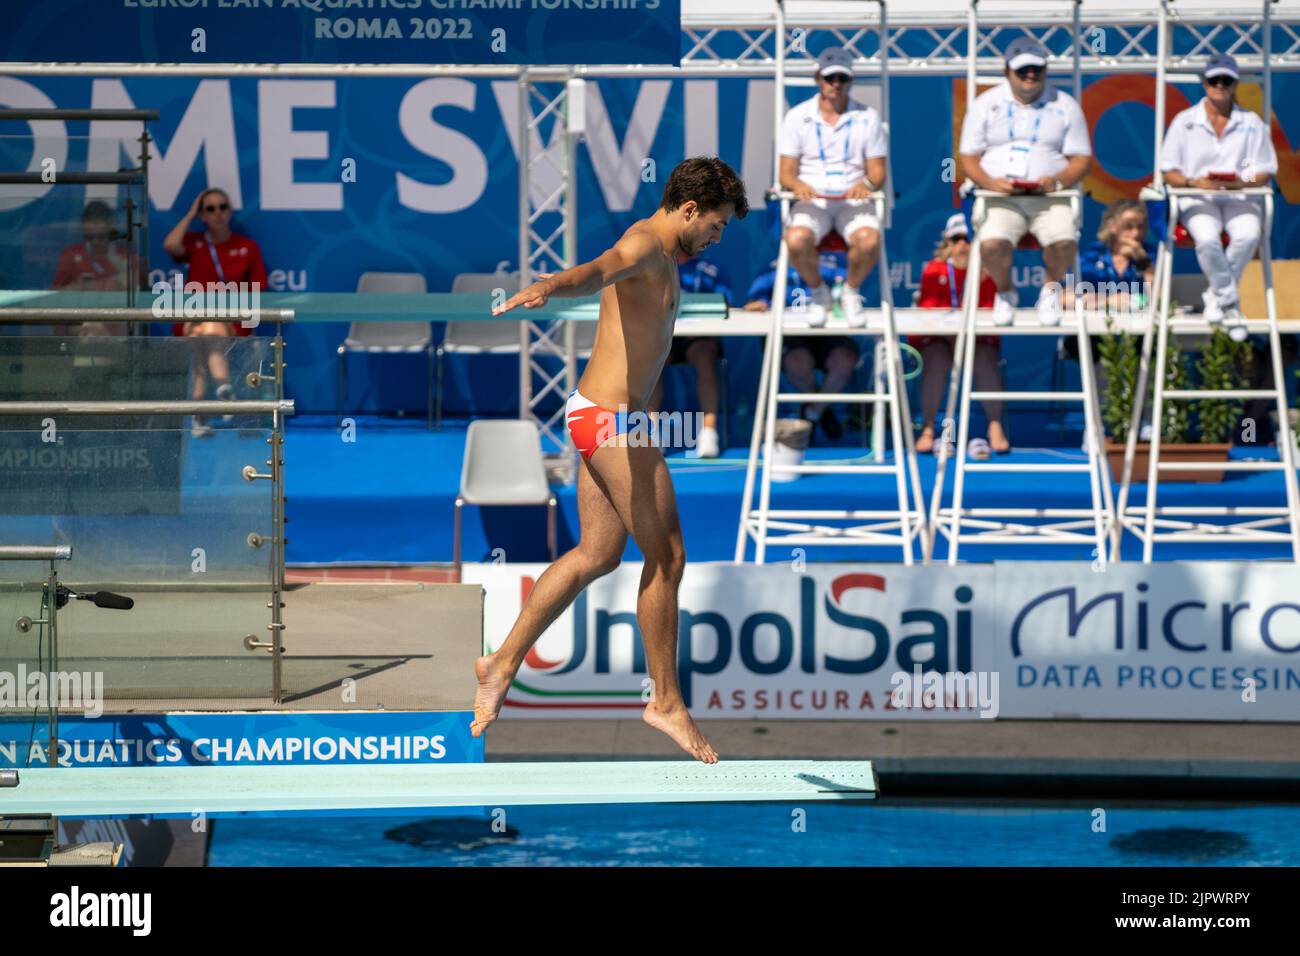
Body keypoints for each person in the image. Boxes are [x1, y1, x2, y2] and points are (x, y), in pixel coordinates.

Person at [472, 157, 749, 764]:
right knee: (669, 555)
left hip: (596, 414)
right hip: (609, 422)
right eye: (717, 226)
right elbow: (598, 270)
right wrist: (551, 284)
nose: (717, 238)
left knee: (597, 554)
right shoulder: (646, 244)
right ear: (690, 210)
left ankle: (499, 663)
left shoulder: (664, 257)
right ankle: (666, 702)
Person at [958, 36, 1092, 327]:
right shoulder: (985, 103)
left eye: (1037, 69)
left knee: (1065, 240)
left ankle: (1049, 291)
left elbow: (1082, 159)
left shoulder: (1066, 105)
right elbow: (968, 157)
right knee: (991, 244)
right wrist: (991, 183)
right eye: (1023, 70)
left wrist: (1057, 181)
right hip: (1000, 197)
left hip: (1050, 199)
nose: (1030, 75)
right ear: (1007, 71)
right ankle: (1005, 292)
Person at [1159, 52, 1277, 326]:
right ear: (1204, 83)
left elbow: (1263, 170)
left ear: (1235, 84)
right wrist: (1194, 182)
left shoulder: (1252, 123)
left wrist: (1240, 182)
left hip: (1239, 197)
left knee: (1248, 236)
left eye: (1226, 80)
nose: (1220, 85)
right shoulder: (1184, 121)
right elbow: (1168, 171)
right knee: (1207, 237)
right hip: (1198, 197)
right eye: (1215, 80)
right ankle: (1229, 301)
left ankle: (1217, 296)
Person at [778, 45, 888, 328]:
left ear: (850, 80)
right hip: (813, 199)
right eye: (830, 78)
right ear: (818, 78)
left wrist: (865, 184)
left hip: (852, 199)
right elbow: (785, 174)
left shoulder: (868, 117)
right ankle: (818, 292)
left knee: (870, 240)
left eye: (842, 78)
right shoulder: (797, 116)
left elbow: (878, 172)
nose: (836, 84)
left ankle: (850, 291)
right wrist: (798, 185)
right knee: (796, 238)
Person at [162, 187, 268, 436]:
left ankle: (199, 418)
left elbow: (258, 290)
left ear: (230, 211)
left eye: (223, 207)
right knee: (203, 332)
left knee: (203, 342)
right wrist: (190, 213)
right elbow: (170, 244)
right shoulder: (195, 243)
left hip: (233, 320)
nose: (217, 213)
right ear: (202, 215)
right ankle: (224, 390)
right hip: (193, 318)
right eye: (209, 209)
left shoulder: (247, 247)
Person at [912, 213, 1007, 454]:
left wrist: (965, 335)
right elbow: (928, 313)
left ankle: (994, 424)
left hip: (976, 338)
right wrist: (951, 335)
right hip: (941, 339)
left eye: (967, 238)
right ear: (947, 245)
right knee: (935, 361)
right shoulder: (934, 271)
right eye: (956, 239)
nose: (963, 244)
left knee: (985, 361)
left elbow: (990, 312)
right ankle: (929, 427)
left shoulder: (987, 272)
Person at [743, 254, 860, 442]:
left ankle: (812, 412)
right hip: (792, 333)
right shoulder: (774, 265)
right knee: (797, 361)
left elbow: (849, 294)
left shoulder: (835, 263)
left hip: (830, 330)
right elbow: (754, 301)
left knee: (844, 360)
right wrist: (757, 304)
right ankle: (823, 409)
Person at [650, 255, 730, 458]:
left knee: (705, 355)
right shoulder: (654, 265)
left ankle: (709, 432)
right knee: (649, 359)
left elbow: (725, 301)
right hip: (660, 334)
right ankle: (651, 432)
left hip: (696, 337)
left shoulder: (710, 269)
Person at [51, 200, 131, 335]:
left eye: (101, 237)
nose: (95, 242)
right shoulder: (71, 255)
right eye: (89, 237)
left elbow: (136, 294)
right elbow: (55, 297)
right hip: (80, 331)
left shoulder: (125, 256)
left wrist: (117, 266)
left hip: (114, 335)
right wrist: (77, 287)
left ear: (110, 227)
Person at [1079, 199, 1156, 312]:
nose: (1136, 233)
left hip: (1140, 324)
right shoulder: (1092, 255)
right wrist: (1108, 302)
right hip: (1096, 323)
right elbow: (1066, 298)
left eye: (1140, 227)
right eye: (1128, 226)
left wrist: (1145, 264)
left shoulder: (1150, 254)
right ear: (1113, 226)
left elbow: (1160, 300)